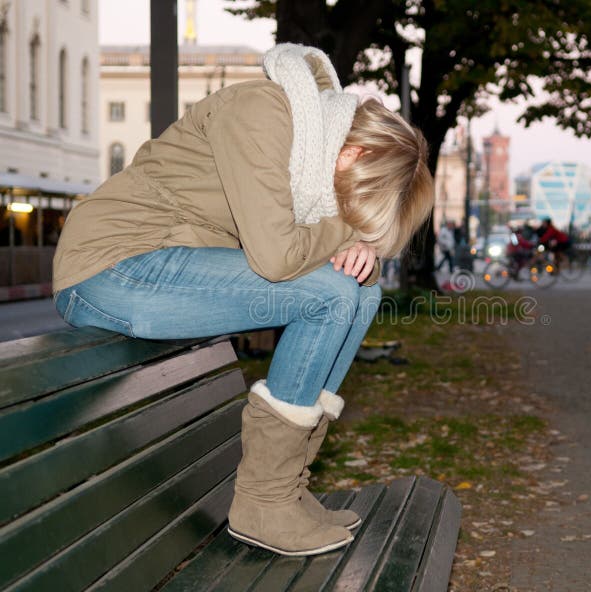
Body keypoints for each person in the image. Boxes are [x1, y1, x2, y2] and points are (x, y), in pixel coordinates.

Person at [51, 44, 433, 557]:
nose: (347, 215)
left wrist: (361, 251)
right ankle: (264, 501)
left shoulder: (312, 155)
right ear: (354, 156)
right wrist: (349, 233)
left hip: (168, 264)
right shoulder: (261, 113)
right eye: (355, 204)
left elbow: (320, 252)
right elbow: (276, 258)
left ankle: (287, 487)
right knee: (331, 294)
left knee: (361, 292)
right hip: (112, 266)